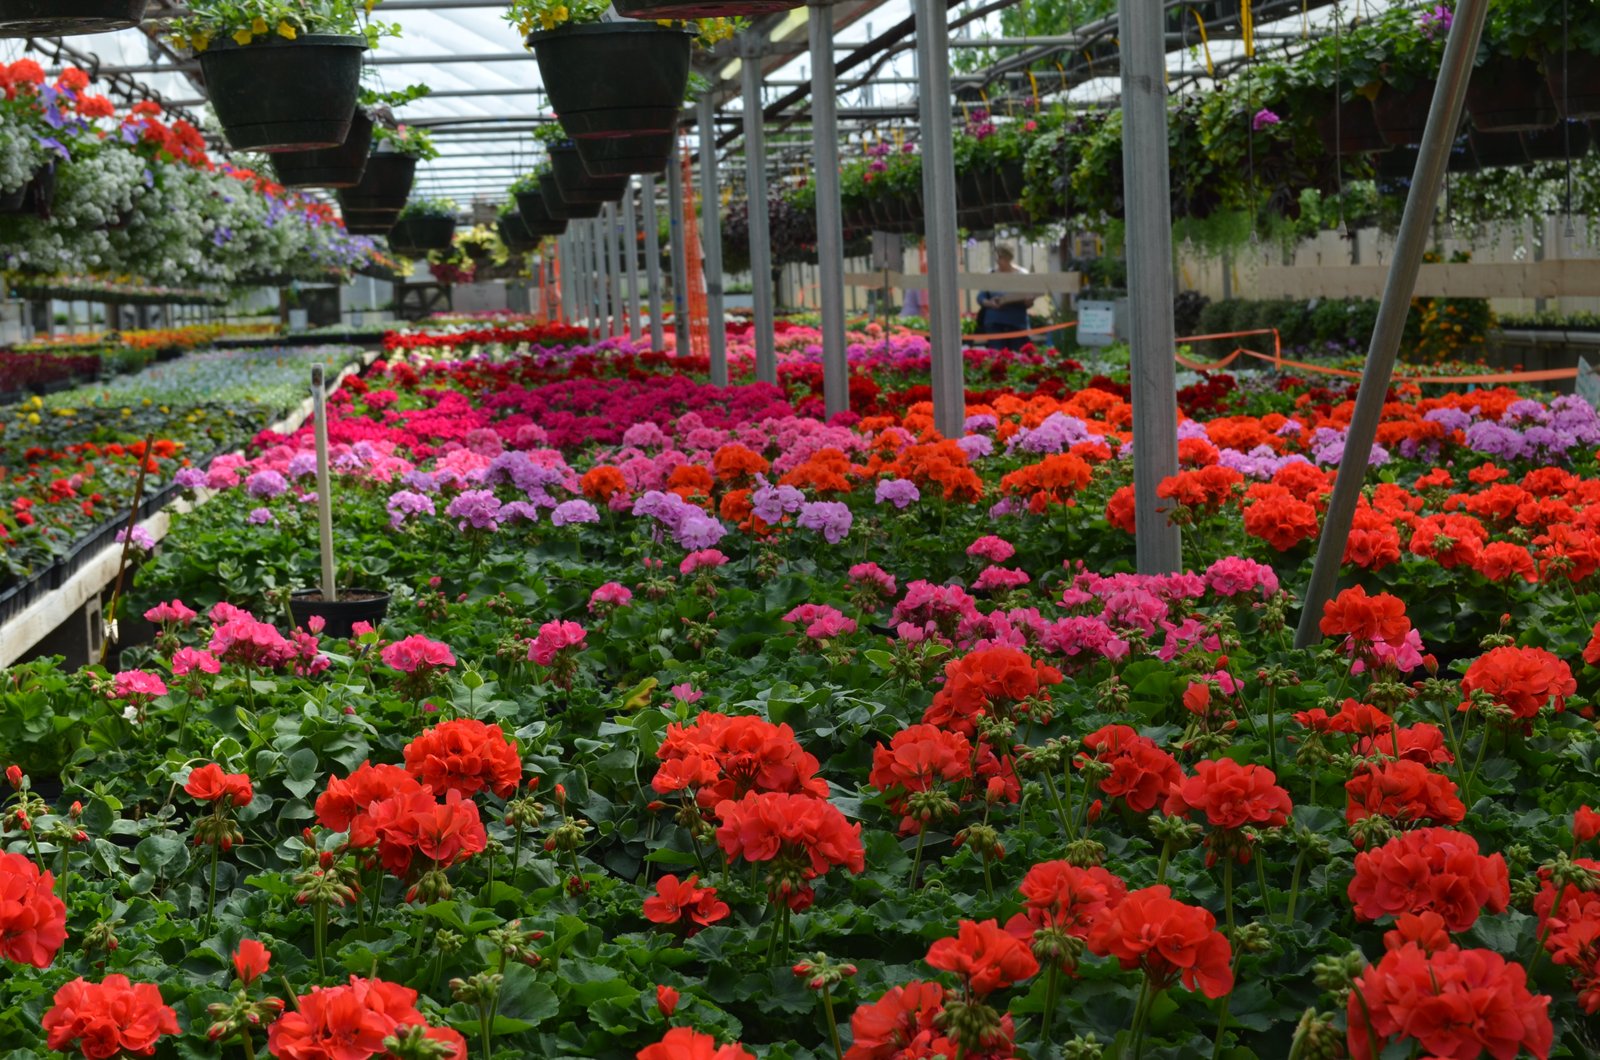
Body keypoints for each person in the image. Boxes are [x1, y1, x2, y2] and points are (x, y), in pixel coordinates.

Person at [975, 244, 1036, 352]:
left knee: (1017, 355)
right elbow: (981, 296)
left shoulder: (1022, 274)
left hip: (1016, 322)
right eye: (997, 258)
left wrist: (1029, 300)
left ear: (1009, 258)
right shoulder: (991, 274)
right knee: (996, 354)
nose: (998, 261)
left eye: (1001, 257)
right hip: (994, 322)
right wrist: (990, 303)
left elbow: (1029, 300)